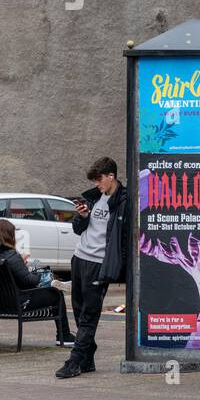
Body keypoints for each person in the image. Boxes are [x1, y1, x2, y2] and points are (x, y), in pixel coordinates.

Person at [56, 157, 128, 379]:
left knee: (89, 313)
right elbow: (78, 229)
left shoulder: (123, 201)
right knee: (78, 309)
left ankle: (75, 360)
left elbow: (123, 238)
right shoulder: (94, 198)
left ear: (111, 176)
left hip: (99, 264)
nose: (97, 184)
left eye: (99, 180)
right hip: (79, 259)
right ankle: (87, 357)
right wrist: (83, 216)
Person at [0, 219, 72, 346]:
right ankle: (64, 335)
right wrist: (34, 273)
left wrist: (20, 265)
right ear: (9, 235)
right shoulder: (10, 255)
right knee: (56, 294)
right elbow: (29, 282)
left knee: (50, 287)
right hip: (13, 303)